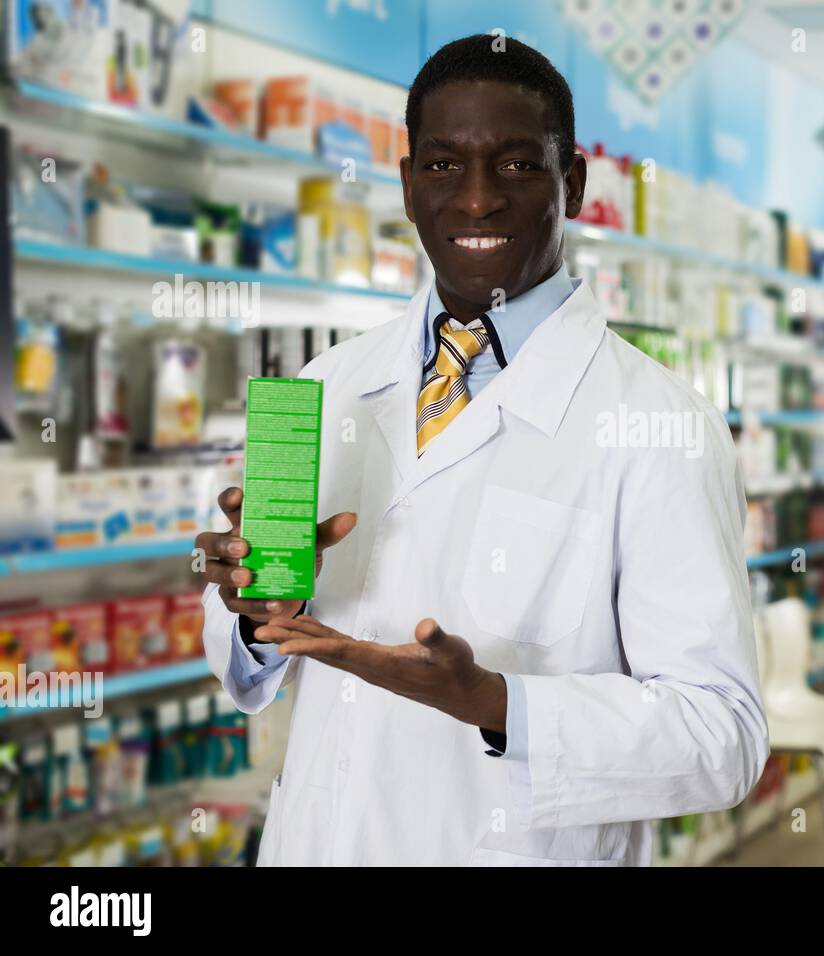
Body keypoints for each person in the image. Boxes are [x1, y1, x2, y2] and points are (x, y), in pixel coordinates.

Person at [195, 35, 768, 866]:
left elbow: (722, 738)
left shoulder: (659, 422)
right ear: (405, 182)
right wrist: (252, 618)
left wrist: (494, 703)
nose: (475, 202)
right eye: (442, 166)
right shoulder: (329, 384)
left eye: (514, 165)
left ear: (569, 182)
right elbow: (247, 672)